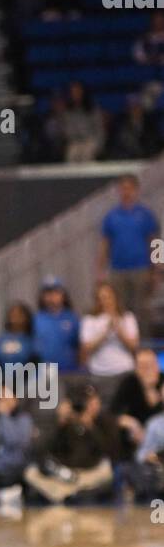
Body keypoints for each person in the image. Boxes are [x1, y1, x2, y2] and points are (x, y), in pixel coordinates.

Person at [23, 380, 119, 504]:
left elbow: (111, 452)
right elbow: (44, 450)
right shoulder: (64, 422)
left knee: (107, 470)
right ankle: (72, 494)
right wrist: (60, 423)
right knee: (31, 473)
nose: (90, 406)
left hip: (90, 474)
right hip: (63, 475)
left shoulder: (105, 421)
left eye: (93, 401)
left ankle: (70, 494)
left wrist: (90, 428)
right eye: (86, 402)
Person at [97, 175, 160, 336]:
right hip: (118, 270)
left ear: (136, 190)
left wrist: (157, 269)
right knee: (120, 310)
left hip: (141, 269)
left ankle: (144, 345)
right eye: (123, 189)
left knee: (142, 310)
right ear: (119, 191)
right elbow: (105, 245)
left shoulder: (145, 215)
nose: (126, 192)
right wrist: (101, 271)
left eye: (129, 189)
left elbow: (155, 242)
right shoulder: (111, 216)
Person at [79, 281, 139, 401]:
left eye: (108, 297)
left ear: (115, 297)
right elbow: (86, 347)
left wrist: (118, 329)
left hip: (124, 370)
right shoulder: (89, 320)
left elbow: (134, 346)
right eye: (101, 298)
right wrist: (105, 332)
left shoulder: (127, 317)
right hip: (99, 373)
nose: (105, 301)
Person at [110, 347, 164, 462]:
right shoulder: (129, 383)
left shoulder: (162, 380)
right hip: (137, 437)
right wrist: (131, 423)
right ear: (136, 369)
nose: (149, 370)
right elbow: (112, 414)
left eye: (152, 365)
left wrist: (151, 389)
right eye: (143, 367)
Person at [32, 277, 80, 376]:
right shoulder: (36, 319)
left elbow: (79, 345)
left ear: (63, 295)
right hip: (44, 373)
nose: (52, 296)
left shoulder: (72, 318)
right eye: (48, 293)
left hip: (69, 371)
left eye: (55, 292)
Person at [0, 302, 40, 368]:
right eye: (13, 314)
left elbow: (35, 361)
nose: (15, 318)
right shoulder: (0, 340)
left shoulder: (31, 340)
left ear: (27, 317)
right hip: (3, 377)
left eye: (19, 315)